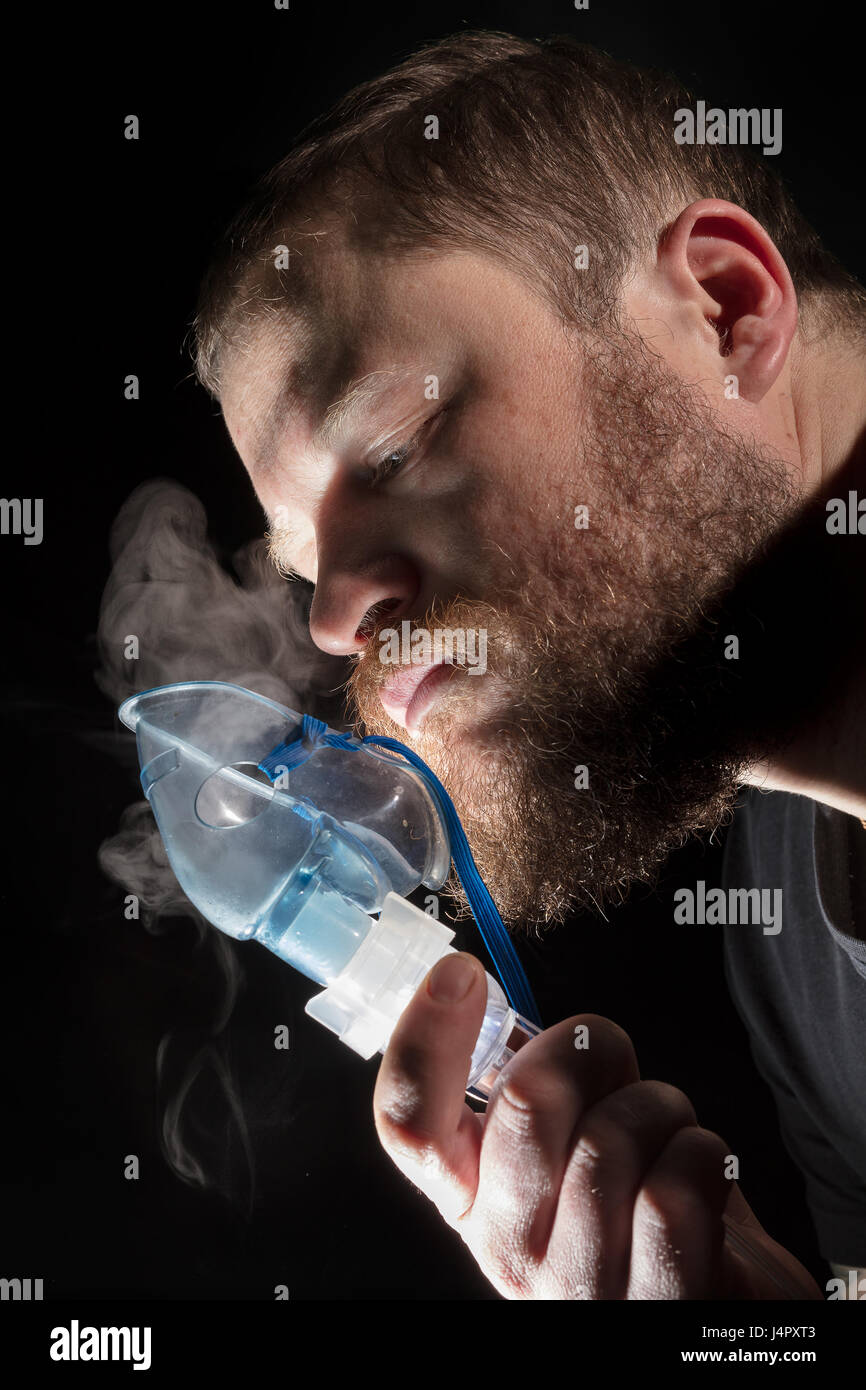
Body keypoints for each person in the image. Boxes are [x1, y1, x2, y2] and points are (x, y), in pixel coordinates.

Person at [191, 32, 865, 1299]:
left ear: (727, 306)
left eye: (390, 446)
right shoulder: (788, 939)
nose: (335, 617)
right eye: (299, 566)